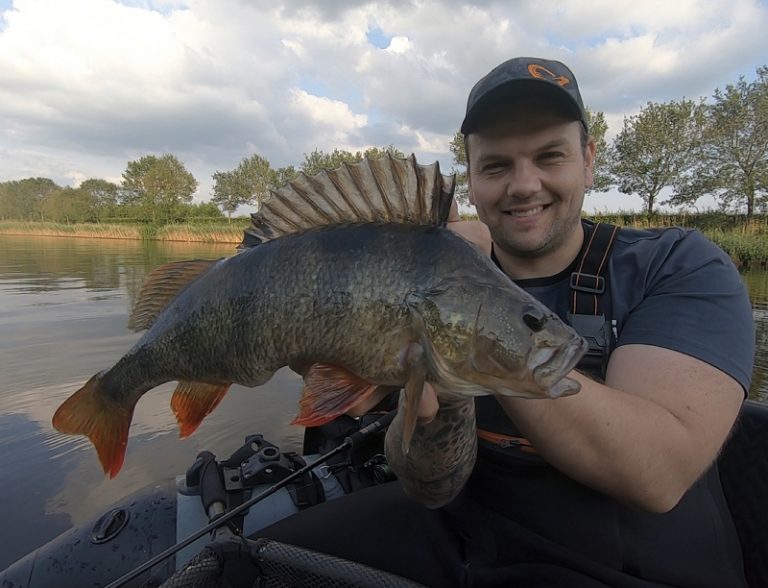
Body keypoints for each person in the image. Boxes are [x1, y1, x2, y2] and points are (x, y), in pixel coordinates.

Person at [260, 57, 756, 587]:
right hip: (472, 539)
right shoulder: (419, 278)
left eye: (550, 156)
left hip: (634, 566)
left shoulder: (678, 264)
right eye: (495, 166)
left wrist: (472, 319)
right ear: (470, 180)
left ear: (588, 160)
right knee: (258, 565)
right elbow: (430, 488)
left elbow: (656, 473)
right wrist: (440, 403)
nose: (523, 185)